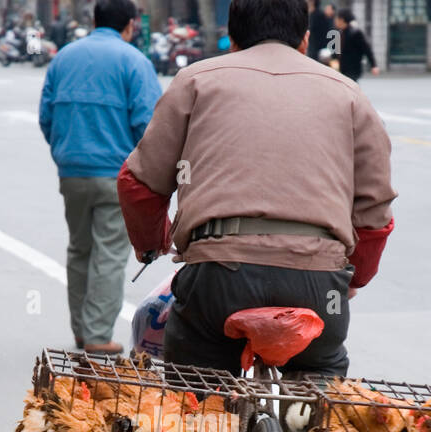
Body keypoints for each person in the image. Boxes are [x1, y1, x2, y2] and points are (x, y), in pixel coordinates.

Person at [118, 0, 395, 378]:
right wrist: (354, 278)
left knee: (200, 397)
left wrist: (153, 244)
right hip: (319, 288)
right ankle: (310, 418)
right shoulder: (348, 94)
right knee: (321, 383)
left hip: (216, 280)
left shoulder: (195, 81)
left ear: (231, 40)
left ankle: (206, 417)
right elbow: (375, 211)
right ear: (305, 40)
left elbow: (140, 184)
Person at [39, 0, 160, 355]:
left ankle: (80, 329)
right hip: (115, 175)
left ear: (94, 20)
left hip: (72, 171)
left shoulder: (64, 57)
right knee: (109, 252)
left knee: (80, 248)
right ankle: (96, 335)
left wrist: (65, 151)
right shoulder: (135, 62)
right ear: (131, 25)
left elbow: (46, 115)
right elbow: (149, 126)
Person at [334, 9, 377, 81]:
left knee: (350, 88)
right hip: (343, 68)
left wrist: (373, 65)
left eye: (337, 18)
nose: (335, 21)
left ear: (341, 20)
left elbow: (366, 49)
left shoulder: (355, 33)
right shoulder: (340, 32)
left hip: (353, 69)